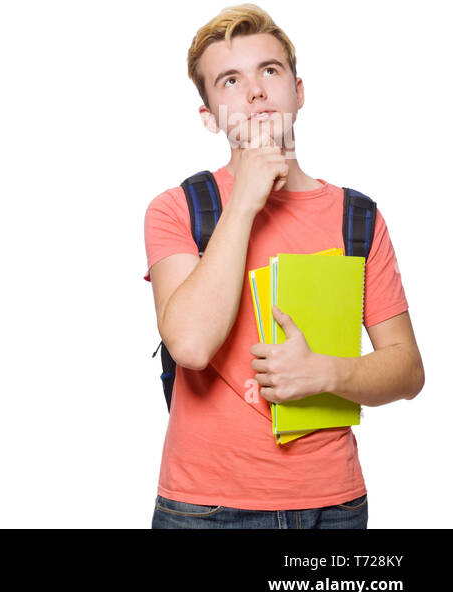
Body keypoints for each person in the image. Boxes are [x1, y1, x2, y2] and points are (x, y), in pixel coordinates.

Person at [144, 4, 423, 529]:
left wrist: (328, 373)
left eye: (268, 71)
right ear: (208, 116)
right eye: (230, 80)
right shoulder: (178, 208)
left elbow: (407, 370)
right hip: (204, 509)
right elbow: (190, 346)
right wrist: (245, 201)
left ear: (299, 90)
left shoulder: (356, 216)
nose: (254, 91)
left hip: (333, 506)